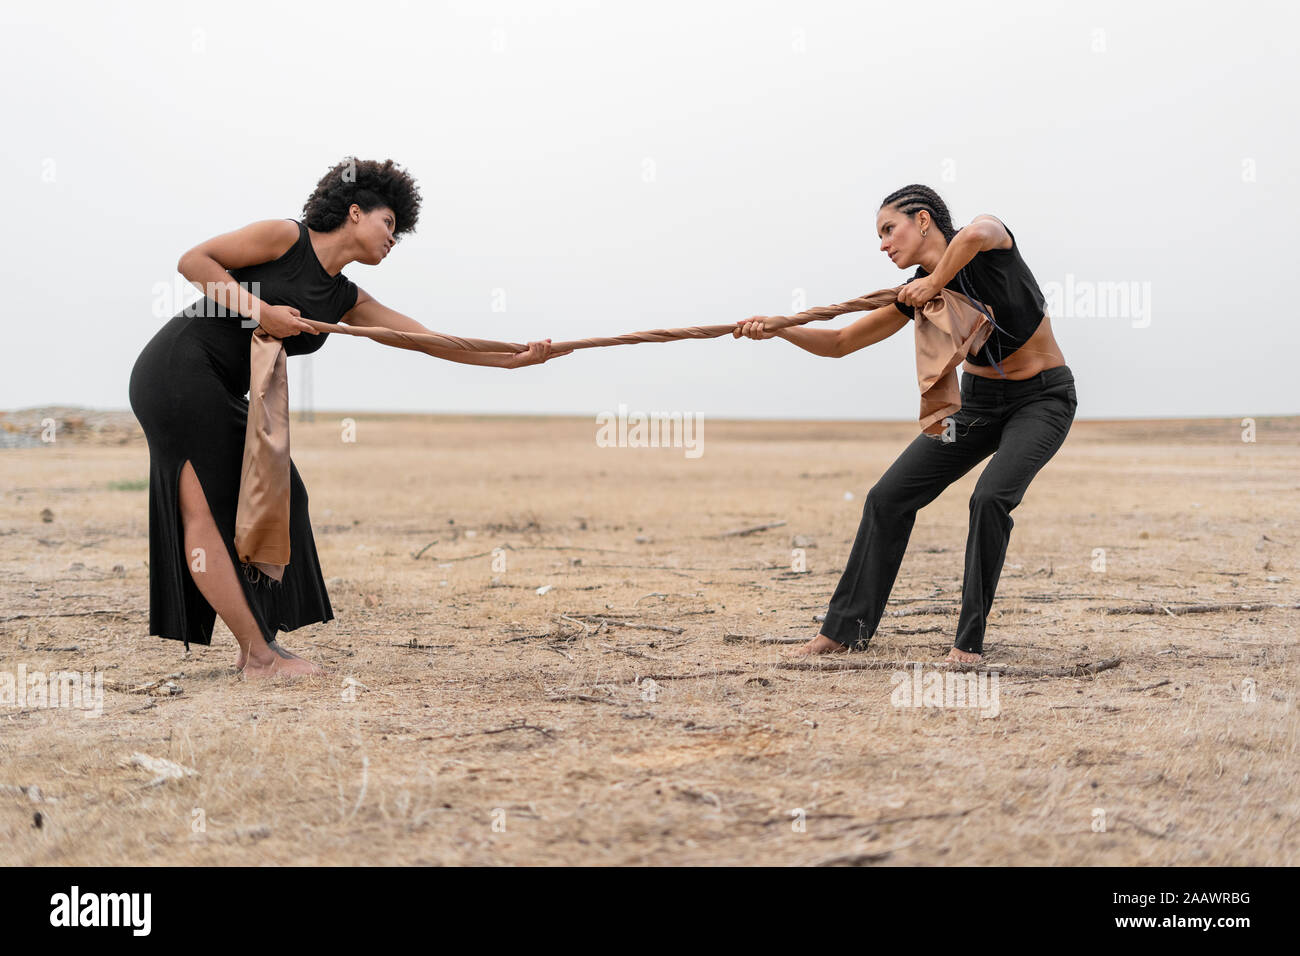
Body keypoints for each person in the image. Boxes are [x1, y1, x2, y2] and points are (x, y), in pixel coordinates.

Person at [128, 158, 566, 679]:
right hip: (178, 370)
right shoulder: (284, 237)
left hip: (210, 385)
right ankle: (261, 658)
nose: (392, 239)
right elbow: (193, 261)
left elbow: (424, 339)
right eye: (389, 224)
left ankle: (256, 649)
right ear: (355, 212)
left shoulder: (344, 297)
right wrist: (261, 311)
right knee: (204, 510)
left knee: (280, 495)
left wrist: (511, 358)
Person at [733, 184, 1076, 663]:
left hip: (1041, 400)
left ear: (923, 220)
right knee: (888, 498)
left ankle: (968, 644)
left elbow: (977, 231)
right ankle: (845, 631)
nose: (883, 244)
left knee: (990, 498)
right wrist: (780, 329)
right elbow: (840, 343)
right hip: (977, 407)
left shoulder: (987, 246)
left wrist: (934, 284)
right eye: (879, 236)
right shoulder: (911, 293)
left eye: (888, 229)